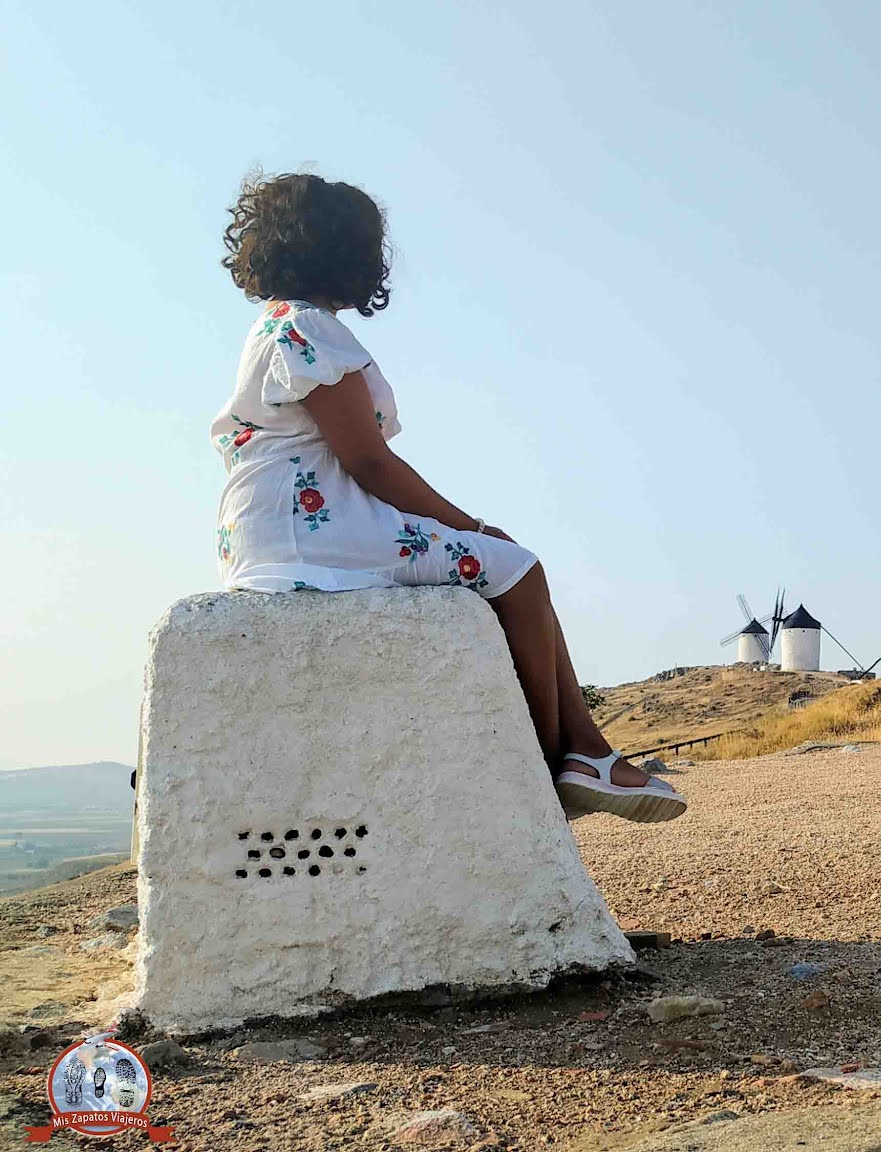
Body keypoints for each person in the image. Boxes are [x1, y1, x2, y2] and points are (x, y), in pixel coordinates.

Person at [212, 172, 683, 823]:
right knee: (517, 569)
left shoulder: (278, 326)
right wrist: (477, 526)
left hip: (285, 531)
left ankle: (585, 752)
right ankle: (549, 770)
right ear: (345, 251)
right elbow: (369, 461)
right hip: (312, 536)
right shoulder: (308, 328)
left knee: (513, 566)